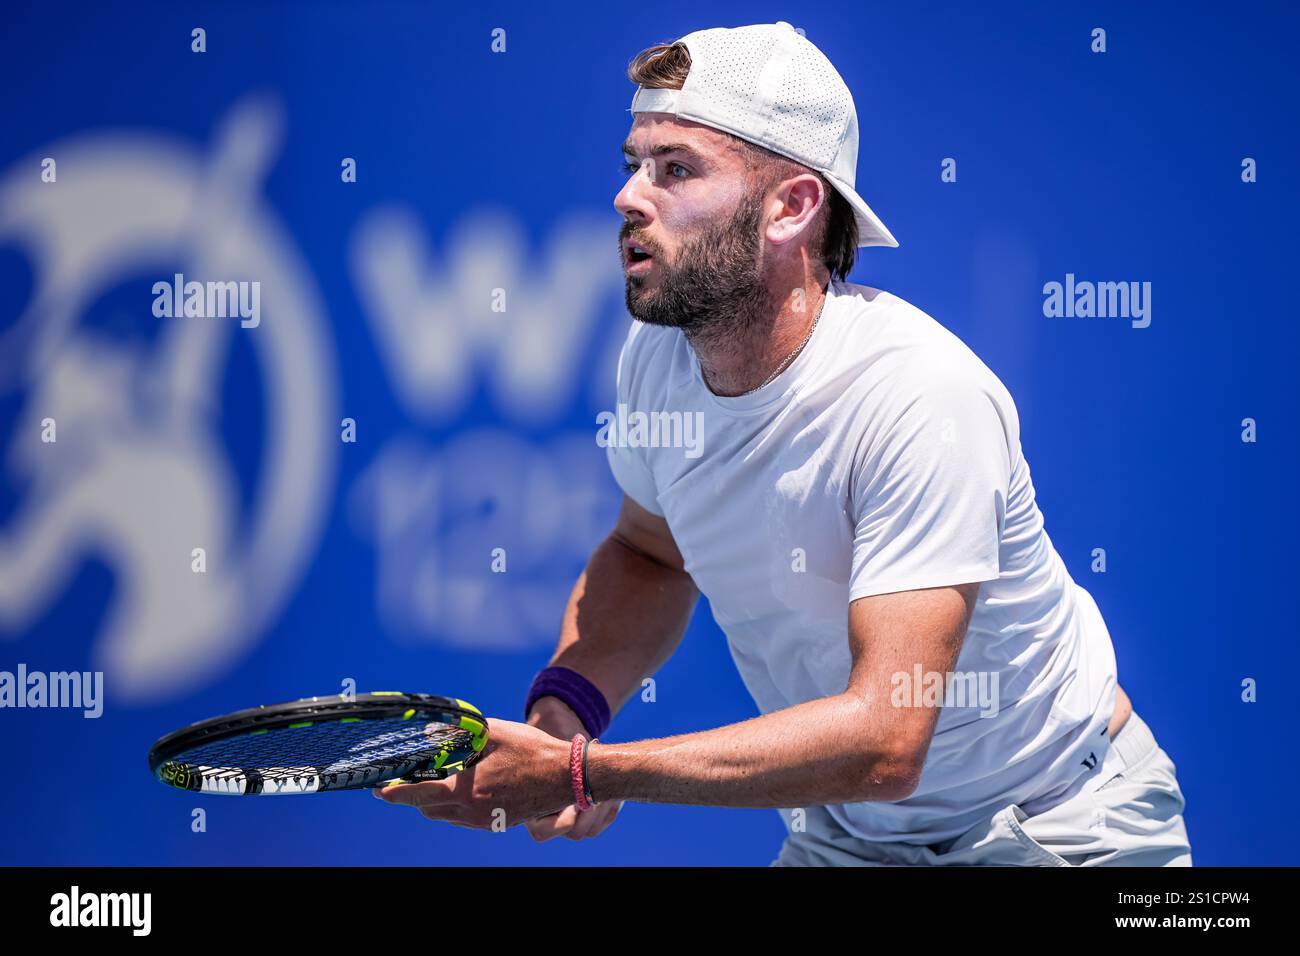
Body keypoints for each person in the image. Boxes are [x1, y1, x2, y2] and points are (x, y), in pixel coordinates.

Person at [375, 21, 1192, 866]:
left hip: (1063, 828)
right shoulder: (657, 358)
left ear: (792, 207)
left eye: (677, 169)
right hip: (848, 839)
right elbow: (651, 554)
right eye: (634, 164)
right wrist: (566, 713)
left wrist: (584, 773)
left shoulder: (922, 398)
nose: (629, 196)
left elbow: (884, 740)